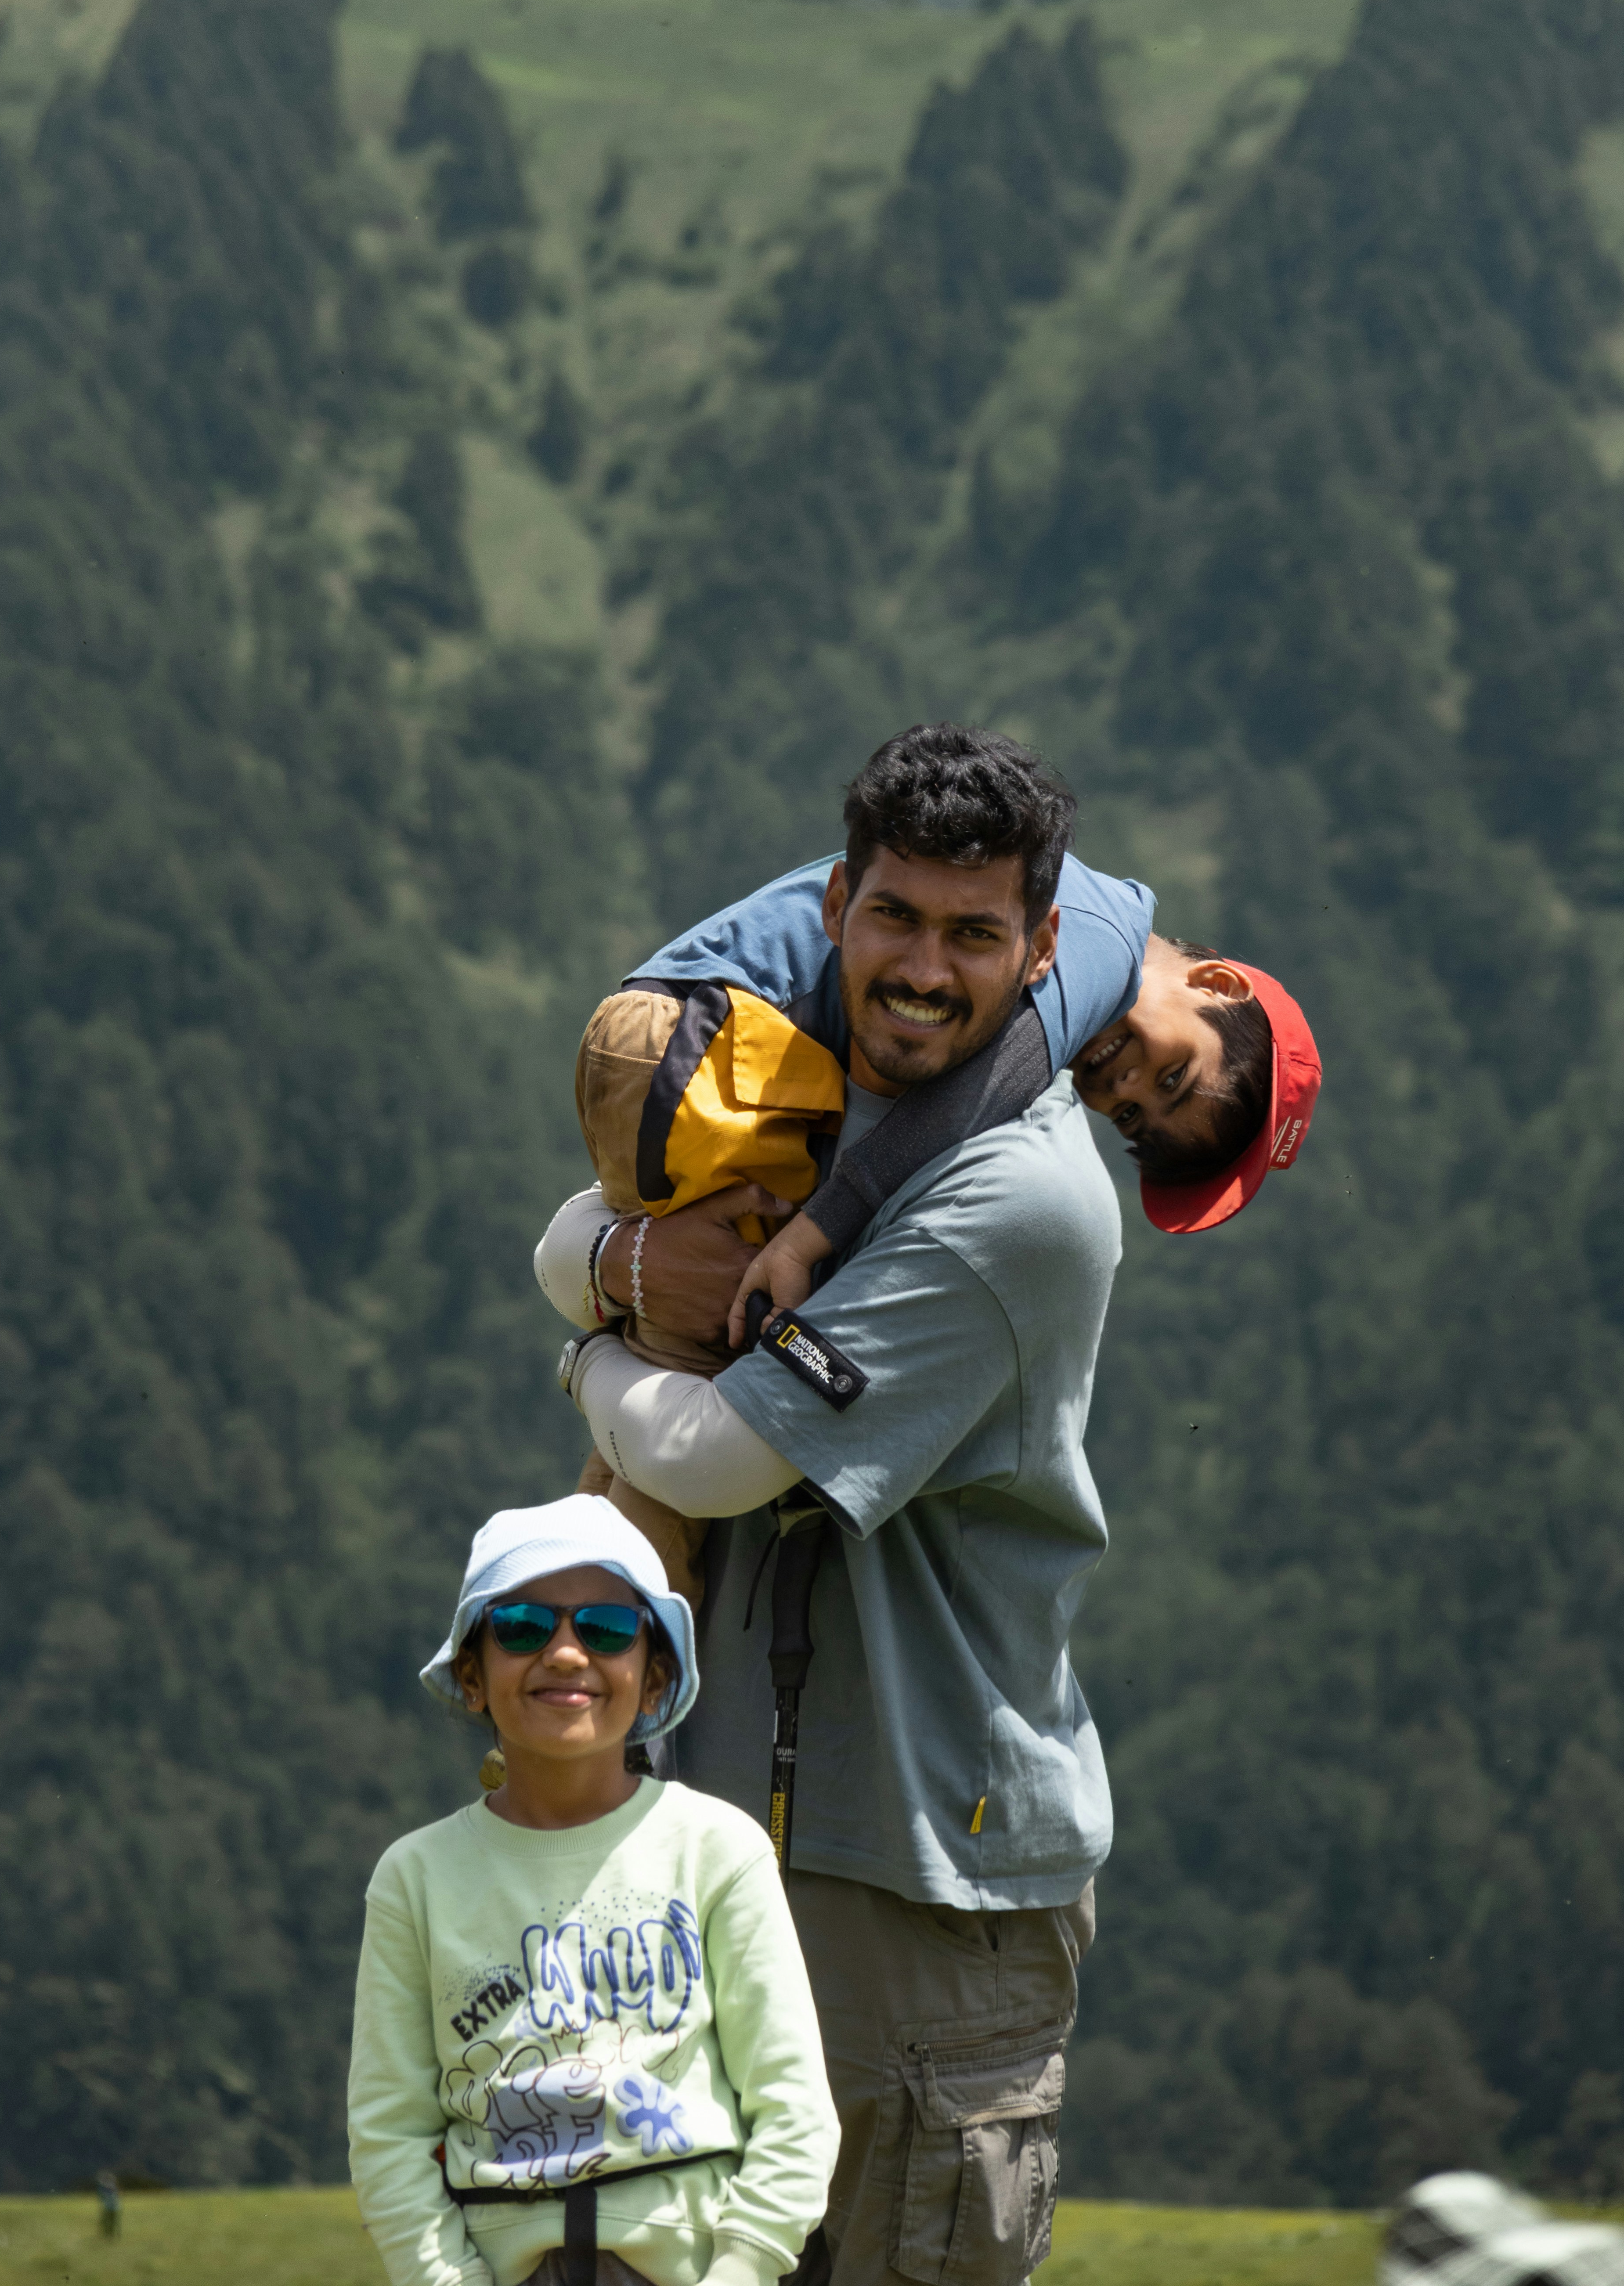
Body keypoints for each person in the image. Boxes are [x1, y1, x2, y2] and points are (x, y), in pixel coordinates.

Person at [535, 727, 1319, 2286]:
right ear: (839, 907)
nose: (923, 970)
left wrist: (588, 1347)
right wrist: (627, 1278)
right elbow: (586, 1231)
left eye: (975, 937)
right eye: (896, 920)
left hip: (912, 1906)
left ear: (1040, 951)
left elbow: (717, 1457)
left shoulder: (1015, 1201)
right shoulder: (836, 1108)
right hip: (720, 1852)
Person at [547, 724, 1319, 1598]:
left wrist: (608, 1293)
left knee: (663, 1414)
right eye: (1173, 1075)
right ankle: (611, 1679)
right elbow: (983, 1086)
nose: (1122, 1088)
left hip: (658, 1042)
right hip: (686, 1044)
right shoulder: (1090, 948)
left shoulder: (1017, 1183)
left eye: (1133, 1120)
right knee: (678, 1380)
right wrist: (795, 1238)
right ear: (1214, 985)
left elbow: (586, 1259)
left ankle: (605, 1681)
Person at [347, 1493, 839, 2286]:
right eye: (522, 1627)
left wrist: (743, 2270)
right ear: (473, 1677)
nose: (567, 1654)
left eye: (607, 1629)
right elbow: (389, 2135)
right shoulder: (417, 1879)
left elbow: (794, 2109)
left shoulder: (718, 1852)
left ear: (654, 1681)